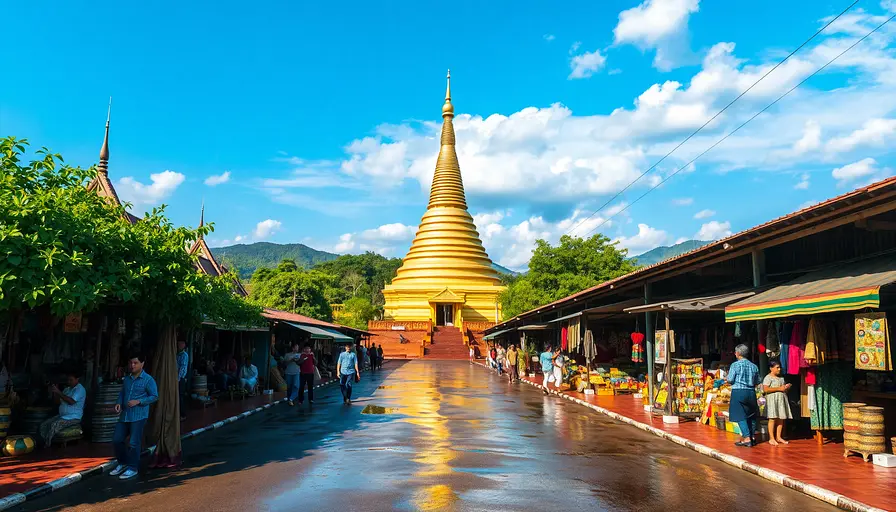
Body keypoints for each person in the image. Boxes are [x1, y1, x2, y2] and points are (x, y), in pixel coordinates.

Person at [110, 353, 159, 480]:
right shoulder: (127, 379)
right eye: (131, 363)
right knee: (117, 439)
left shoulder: (148, 380)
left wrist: (139, 401)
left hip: (139, 415)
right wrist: (118, 403)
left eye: (135, 363)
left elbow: (154, 396)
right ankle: (122, 463)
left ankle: (132, 467)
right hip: (125, 415)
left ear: (142, 364)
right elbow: (122, 393)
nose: (132, 365)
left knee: (133, 442)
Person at [39, 370, 86, 446]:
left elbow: (71, 401)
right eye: (68, 380)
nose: (69, 382)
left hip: (73, 417)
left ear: (77, 379)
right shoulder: (67, 389)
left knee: (54, 425)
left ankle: (47, 445)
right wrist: (54, 392)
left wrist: (58, 392)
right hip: (63, 416)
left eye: (71, 380)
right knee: (44, 425)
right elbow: (57, 402)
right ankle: (45, 442)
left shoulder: (80, 389)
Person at [727, 344, 760, 447]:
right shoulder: (754, 366)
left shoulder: (735, 365)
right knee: (751, 415)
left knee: (739, 414)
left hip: (738, 391)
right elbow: (757, 381)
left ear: (738, 353)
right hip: (751, 392)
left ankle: (746, 437)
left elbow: (730, 379)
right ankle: (752, 436)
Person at [763, 358, 793, 446]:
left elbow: (783, 389)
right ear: (771, 368)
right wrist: (779, 388)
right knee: (772, 418)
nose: (779, 369)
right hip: (772, 401)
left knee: (781, 418)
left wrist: (786, 388)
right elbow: (765, 389)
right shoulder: (768, 378)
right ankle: (771, 438)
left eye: (779, 367)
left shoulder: (781, 378)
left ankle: (778, 436)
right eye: (777, 367)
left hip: (781, 400)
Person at [176, 340, 189, 421]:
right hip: (176, 378)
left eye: (182, 344)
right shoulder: (176, 354)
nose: (179, 345)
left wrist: (178, 378)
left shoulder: (184, 355)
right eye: (179, 343)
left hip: (180, 378)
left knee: (180, 396)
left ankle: (183, 415)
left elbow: (182, 368)